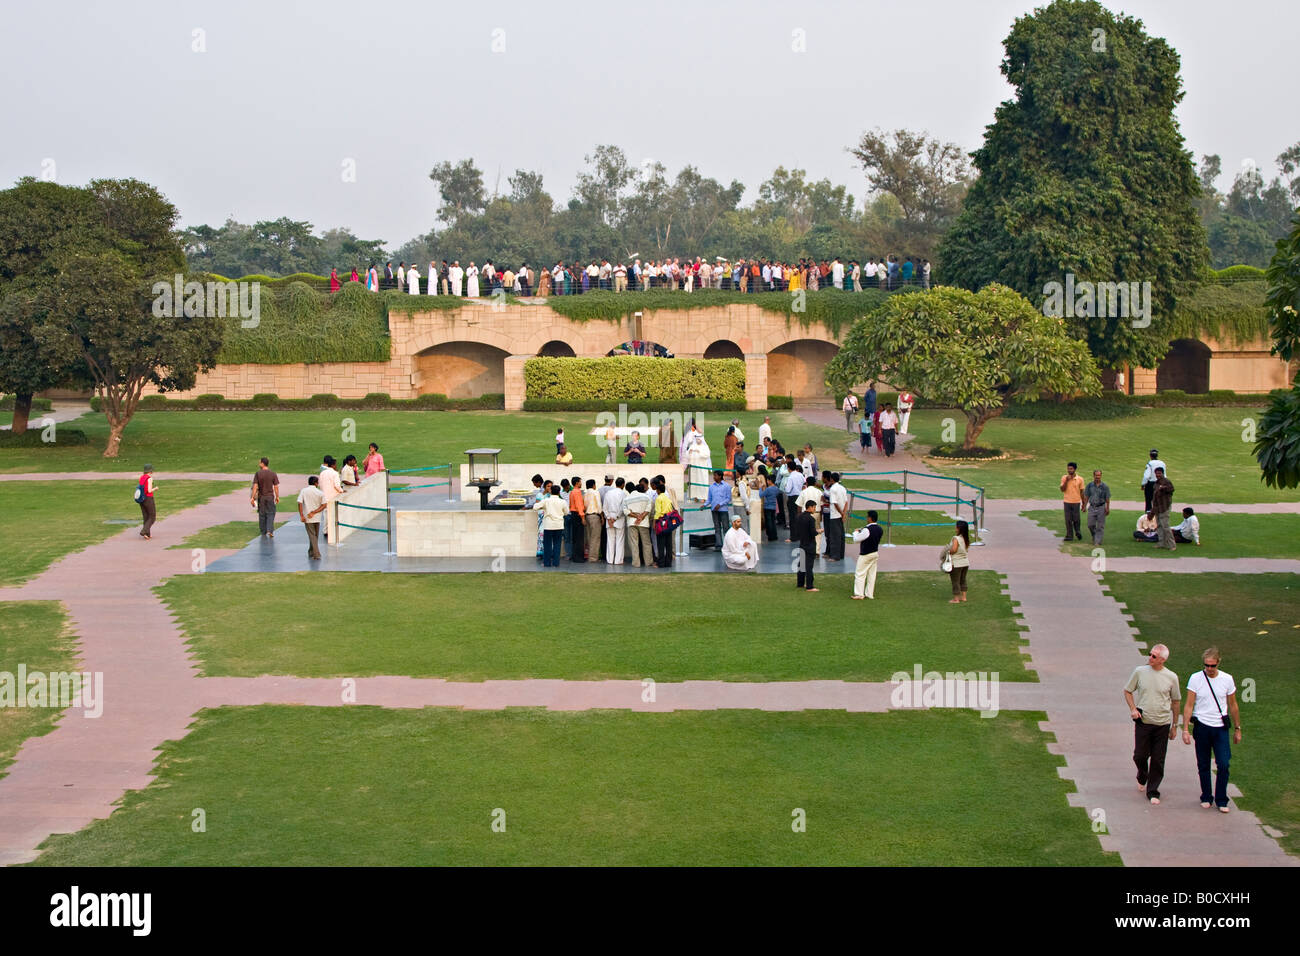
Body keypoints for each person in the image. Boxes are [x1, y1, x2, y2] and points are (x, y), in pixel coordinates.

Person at [1181, 647, 1242, 812]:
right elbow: (1189, 704)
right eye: (1206, 665)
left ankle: (1221, 799)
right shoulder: (1195, 678)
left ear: (1218, 663)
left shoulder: (1227, 679)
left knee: (1223, 764)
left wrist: (1237, 728)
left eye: (1212, 666)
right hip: (1201, 726)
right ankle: (1206, 796)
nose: (1209, 669)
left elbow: (1233, 705)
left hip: (1220, 728)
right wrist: (1185, 729)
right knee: (1203, 764)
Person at [1123, 643, 1180, 805]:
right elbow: (1127, 691)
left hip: (1162, 723)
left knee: (1158, 759)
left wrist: (1175, 726)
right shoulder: (1140, 672)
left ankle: (1153, 790)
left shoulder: (1171, 677)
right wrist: (1133, 708)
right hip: (1144, 721)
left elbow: (1176, 702)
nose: (1150, 657)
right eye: (1150, 654)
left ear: (1162, 660)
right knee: (1139, 755)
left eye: (1154, 656)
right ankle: (1142, 774)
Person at [851, 510, 884, 599]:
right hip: (875, 553)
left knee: (860, 574)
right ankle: (869, 593)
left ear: (870, 518)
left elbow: (856, 539)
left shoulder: (867, 530)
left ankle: (859, 594)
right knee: (871, 575)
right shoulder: (880, 529)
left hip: (866, 554)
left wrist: (856, 532)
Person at [534, 484, 567, 567]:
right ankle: (556, 563)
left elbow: (535, 507)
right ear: (559, 492)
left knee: (547, 545)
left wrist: (543, 508)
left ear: (551, 491)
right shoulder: (562, 502)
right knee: (557, 545)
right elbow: (566, 512)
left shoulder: (546, 501)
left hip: (548, 525)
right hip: (559, 525)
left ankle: (547, 563)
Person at [624, 480, 653, 567]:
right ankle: (648, 562)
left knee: (634, 543)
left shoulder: (626, 499)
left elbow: (626, 511)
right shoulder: (645, 496)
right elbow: (649, 508)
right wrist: (641, 516)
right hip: (643, 523)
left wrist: (636, 516)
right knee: (646, 543)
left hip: (632, 523)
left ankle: (636, 563)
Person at [793, 500, 820, 592]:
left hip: (802, 543)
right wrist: (818, 531)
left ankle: (800, 583)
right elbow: (813, 533)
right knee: (809, 566)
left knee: (801, 564)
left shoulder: (799, 517)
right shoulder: (811, 519)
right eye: (814, 507)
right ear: (810, 507)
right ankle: (810, 586)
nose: (814, 509)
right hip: (810, 544)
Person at [297, 474, 325, 560]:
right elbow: (324, 505)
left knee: (312, 536)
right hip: (317, 517)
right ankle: (312, 552)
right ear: (316, 483)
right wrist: (315, 512)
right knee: (314, 536)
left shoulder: (304, 491)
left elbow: (299, 502)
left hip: (308, 517)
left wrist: (302, 515)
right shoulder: (320, 493)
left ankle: (315, 553)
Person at [250, 456, 280, 538]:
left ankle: (263, 531)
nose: (259, 464)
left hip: (261, 498)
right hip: (270, 497)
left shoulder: (258, 473)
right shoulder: (273, 473)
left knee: (262, 514)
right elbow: (276, 487)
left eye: (259, 462)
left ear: (263, 464)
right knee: (271, 513)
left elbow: (255, 486)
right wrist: (277, 497)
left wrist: (252, 497)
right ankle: (270, 530)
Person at [318, 456, 344, 543]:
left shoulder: (322, 473)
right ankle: (332, 530)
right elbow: (337, 486)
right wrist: (341, 491)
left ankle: (325, 530)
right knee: (333, 514)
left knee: (325, 514)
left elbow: (320, 484)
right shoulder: (334, 474)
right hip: (332, 496)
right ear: (333, 465)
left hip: (324, 496)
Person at [603, 477, 628, 565]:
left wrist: (609, 518)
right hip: (619, 519)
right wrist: (616, 517)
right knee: (619, 540)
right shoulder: (623, 494)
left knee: (610, 540)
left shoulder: (608, 493)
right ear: (623, 484)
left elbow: (604, 507)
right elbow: (622, 508)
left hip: (609, 518)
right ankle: (618, 560)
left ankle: (610, 560)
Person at [945, 520, 971, 604]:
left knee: (955, 581)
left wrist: (948, 551)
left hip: (956, 563)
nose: (955, 528)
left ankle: (956, 599)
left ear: (959, 528)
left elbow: (954, 550)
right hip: (965, 562)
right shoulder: (966, 539)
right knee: (963, 580)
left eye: (956, 526)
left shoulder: (956, 538)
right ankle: (964, 597)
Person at [1060, 462, 1086, 541]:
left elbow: (1082, 492)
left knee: (1076, 519)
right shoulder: (1064, 477)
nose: (1069, 470)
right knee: (1068, 519)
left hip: (1076, 502)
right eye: (1068, 468)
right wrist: (1066, 481)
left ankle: (1078, 531)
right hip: (1067, 501)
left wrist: (1083, 503)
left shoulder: (1080, 479)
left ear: (1075, 469)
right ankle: (1069, 536)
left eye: (1071, 469)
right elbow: (1062, 489)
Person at [1084, 468, 1111, 545]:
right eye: (1096, 475)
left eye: (1099, 475)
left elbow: (1107, 498)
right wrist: (1084, 506)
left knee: (1100, 526)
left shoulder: (1105, 486)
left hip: (1101, 507)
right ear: (1093, 476)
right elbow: (1086, 496)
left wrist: (1107, 508)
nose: (1097, 477)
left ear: (1101, 476)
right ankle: (1094, 536)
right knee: (1090, 525)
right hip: (1092, 507)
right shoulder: (1089, 485)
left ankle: (1097, 541)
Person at [1151, 466, 1176, 550]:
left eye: (1159, 473)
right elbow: (1154, 497)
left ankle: (1172, 545)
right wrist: (1153, 511)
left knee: (1165, 526)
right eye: (1156, 473)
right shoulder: (1156, 483)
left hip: (1165, 507)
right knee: (1159, 526)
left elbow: (1171, 489)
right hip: (1157, 508)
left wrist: (1163, 488)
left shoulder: (1166, 481)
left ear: (1162, 473)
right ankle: (1161, 543)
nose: (1158, 475)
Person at [825, 472, 848, 561]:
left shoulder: (833, 489)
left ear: (832, 479)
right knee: (841, 535)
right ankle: (841, 554)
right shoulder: (842, 488)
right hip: (841, 514)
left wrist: (841, 513)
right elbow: (846, 502)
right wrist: (844, 514)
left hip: (835, 515)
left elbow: (834, 503)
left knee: (835, 536)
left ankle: (835, 556)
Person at [706, 470, 731, 550]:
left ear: (720, 476)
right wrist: (705, 505)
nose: (714, 477)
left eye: (715, 475)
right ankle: (719, 545)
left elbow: (728, 498)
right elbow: (709, 499)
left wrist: (720, 504)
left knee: (726, 527)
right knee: (717, 527)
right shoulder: (711, 487)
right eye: (714, 475)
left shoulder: (726, 486)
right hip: (714, 510)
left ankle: (728, 545)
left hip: (723, 510)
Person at [1140, 449, 1167, 513]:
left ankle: (1149, 514)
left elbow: (1147, 475)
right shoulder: (1162, 463)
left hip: (1151, 484)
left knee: (1149, 501)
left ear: (1150, 456)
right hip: (1161, 483)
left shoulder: (1150, 463)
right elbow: (1165, 475)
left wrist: (1143, 484)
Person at [567, 475, 586, 563]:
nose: (581, 483)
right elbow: (579, 505)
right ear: (577, 483)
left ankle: (575, 556)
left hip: (573, 514)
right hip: (578, 515)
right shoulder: (577, 492)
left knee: (575, 537)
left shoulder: (572, 492)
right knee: (579, 537)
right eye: (580, 482)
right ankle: (579, 557)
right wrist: (582, 517)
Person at [137, 464, 157, 539]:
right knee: (152, 517)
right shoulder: (149, 478)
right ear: (150, 471)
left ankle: (147, 534)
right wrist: (155, 489)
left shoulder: (141, 477)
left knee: (146, 516)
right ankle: (143, 531)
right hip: (148, 498)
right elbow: (149, 490)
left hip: (142, 499)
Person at [760, 473, 780, 541]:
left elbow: (761, 495)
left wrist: (760, 488)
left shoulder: (768, 489)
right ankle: (774, 535)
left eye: (767, 480)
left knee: (768, 522)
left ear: (770, 481)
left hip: (767, 507)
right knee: (773, 521)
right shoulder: (776, 488)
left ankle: (770, 536)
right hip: (773, 507)